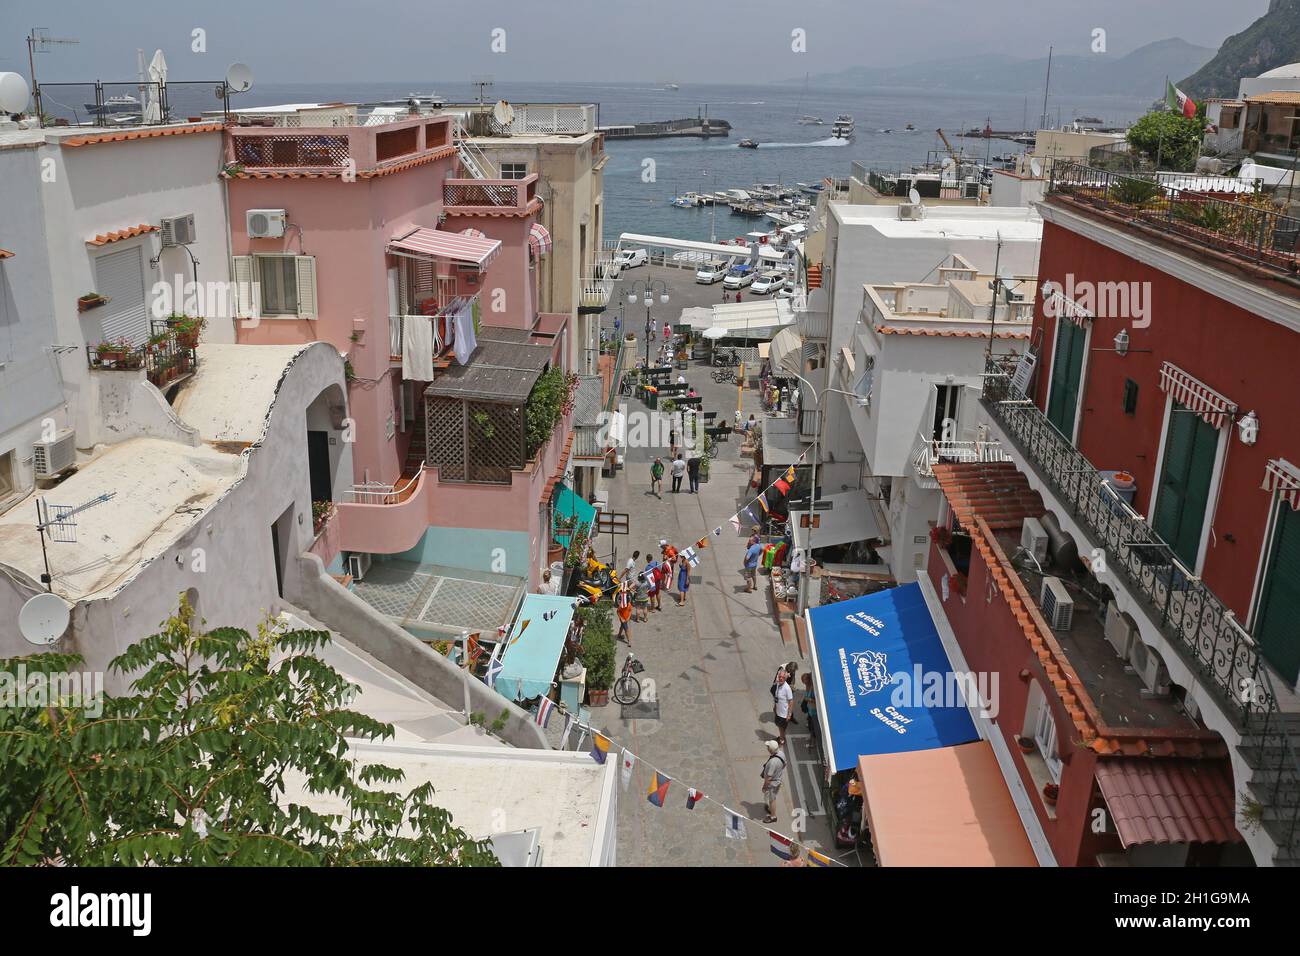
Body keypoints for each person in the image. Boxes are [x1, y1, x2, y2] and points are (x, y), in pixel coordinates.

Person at [760, 739, 787, 824]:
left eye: (768, 747)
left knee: (772, 799)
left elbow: (768, 778)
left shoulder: (773, 762)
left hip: (773, 783)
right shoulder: (781, 753)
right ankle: (770, 809)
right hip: (777, 779)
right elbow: (785, 764)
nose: (767, 747)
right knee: (770, 798)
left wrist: (764, 787)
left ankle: (773, 816)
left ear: (770, 750)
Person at [772, 668, 794, 745]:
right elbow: (777, 696)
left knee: (781, 728)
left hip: (783, 714)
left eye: (783, 677)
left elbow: (791, 701)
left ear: (785, 678)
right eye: (780, 676)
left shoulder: (787, 688)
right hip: (778, 711)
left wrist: (789, 714)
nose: (781, 678)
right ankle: (781, 737)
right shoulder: (778, 684)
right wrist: (775, 706)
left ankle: (782, 740)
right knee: (779, 725)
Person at [615, 579, 634, 645]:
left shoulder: (629, 605)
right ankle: (629, 641)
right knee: (626, 629)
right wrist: (621, 618)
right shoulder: (621, 606)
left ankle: (619, 635)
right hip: (623, 619)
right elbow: (617, 612)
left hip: (626, 618)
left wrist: (628, 617)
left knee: (622, 627)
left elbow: (630, 611)